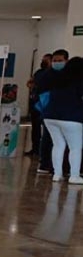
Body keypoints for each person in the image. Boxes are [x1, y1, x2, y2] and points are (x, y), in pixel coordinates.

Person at [41, 51, 83, 183]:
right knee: (75, 147)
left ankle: (57, 174)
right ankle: (74, 175)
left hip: (50, 116)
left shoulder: (58, 78)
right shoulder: (79, 80)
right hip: (71, 117)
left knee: (58, 145)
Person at [26, 54, 52, 156]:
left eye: (46, 60)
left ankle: (45, 152)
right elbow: (30, 82)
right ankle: (35, 148)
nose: (43, 62)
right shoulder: (39, 72)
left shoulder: (52, 74)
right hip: (36, 103)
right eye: (42, 60)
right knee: (35, 128)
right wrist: (32, 86)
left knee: (47, 129)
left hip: (46, 105)